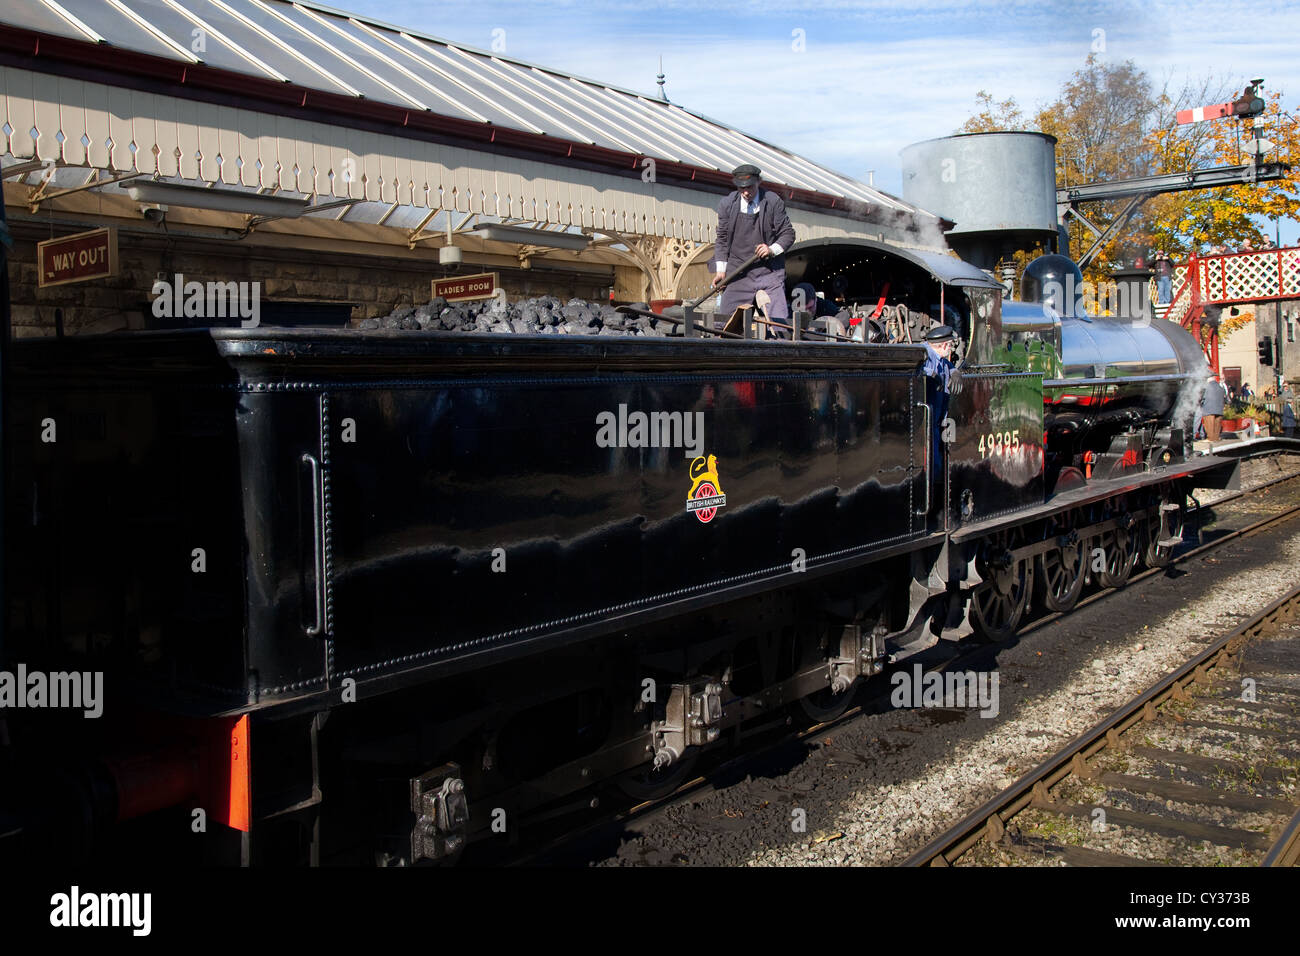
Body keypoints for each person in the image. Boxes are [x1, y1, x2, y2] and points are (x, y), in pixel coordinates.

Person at [712, 164, 796, 326]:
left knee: (780, 325)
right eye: (741, 188)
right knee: (724, 326)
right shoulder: (727, 205)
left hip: (769, 272)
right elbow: (721, 239)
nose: (745, 192)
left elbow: (788, 234)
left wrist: (771, 249)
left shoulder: (772, 201)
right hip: (738, 272)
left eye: (749, 187)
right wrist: (721, 272)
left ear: (759, 182)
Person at [922, 325, 959, 469]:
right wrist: (931, 374)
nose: (951, 349)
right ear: (943, 345)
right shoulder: (924, 354)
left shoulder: (939, 358)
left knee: (936, 463)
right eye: (950, 345)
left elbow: (946, 364)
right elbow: (916, 368)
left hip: (935, 422)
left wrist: (954, 370)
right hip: (924, 423)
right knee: (931, 463)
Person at [1201, 373, 1226, 442]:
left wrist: (1201, 403)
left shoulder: (1206, 386)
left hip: (1209, 409)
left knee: (1209, 425)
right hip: (1219, 409)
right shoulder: (1220, 387)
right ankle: (1216, 438)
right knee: (1217, 425)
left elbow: (1202, 397)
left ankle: (1210, 438)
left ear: (1208, 379)